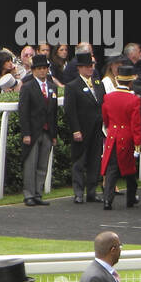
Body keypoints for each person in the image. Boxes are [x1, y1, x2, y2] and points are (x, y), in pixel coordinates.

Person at [63, 50, 105, 204]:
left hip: (97, 129)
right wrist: (75, 129)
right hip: (81, 129)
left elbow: (103, 103)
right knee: (79, 161)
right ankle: (79, 192)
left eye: (92, 66)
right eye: (87, 66)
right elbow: (70, 110)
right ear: (80, 68)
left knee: (95, 161)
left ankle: (92, 191)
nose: (91, 69)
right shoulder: (72, 86)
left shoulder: (98, 83)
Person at [16, 54, 58, 207]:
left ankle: (38, 193)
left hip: (47, 131)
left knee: (42, 165)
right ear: (33, 70)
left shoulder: (52, 87)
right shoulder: (27, 87)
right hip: (33, 132)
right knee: (30, 164)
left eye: (44, 69)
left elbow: (54, 113)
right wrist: (26, 133)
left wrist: (54, 134)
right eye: (39, 69)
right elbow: (24, 111)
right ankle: (28, 194)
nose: (42, 72)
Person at [100, 64, 141, 209]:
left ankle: (107, 200)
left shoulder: (108, 97)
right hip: (127, 137)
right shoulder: (134, 100)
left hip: (113, 136)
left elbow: (105, 118)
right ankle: (130, 198)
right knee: (129, 170)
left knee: (112, 170)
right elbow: (135, 124)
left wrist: (110, 128)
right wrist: (138, 143)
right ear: (130, 82)